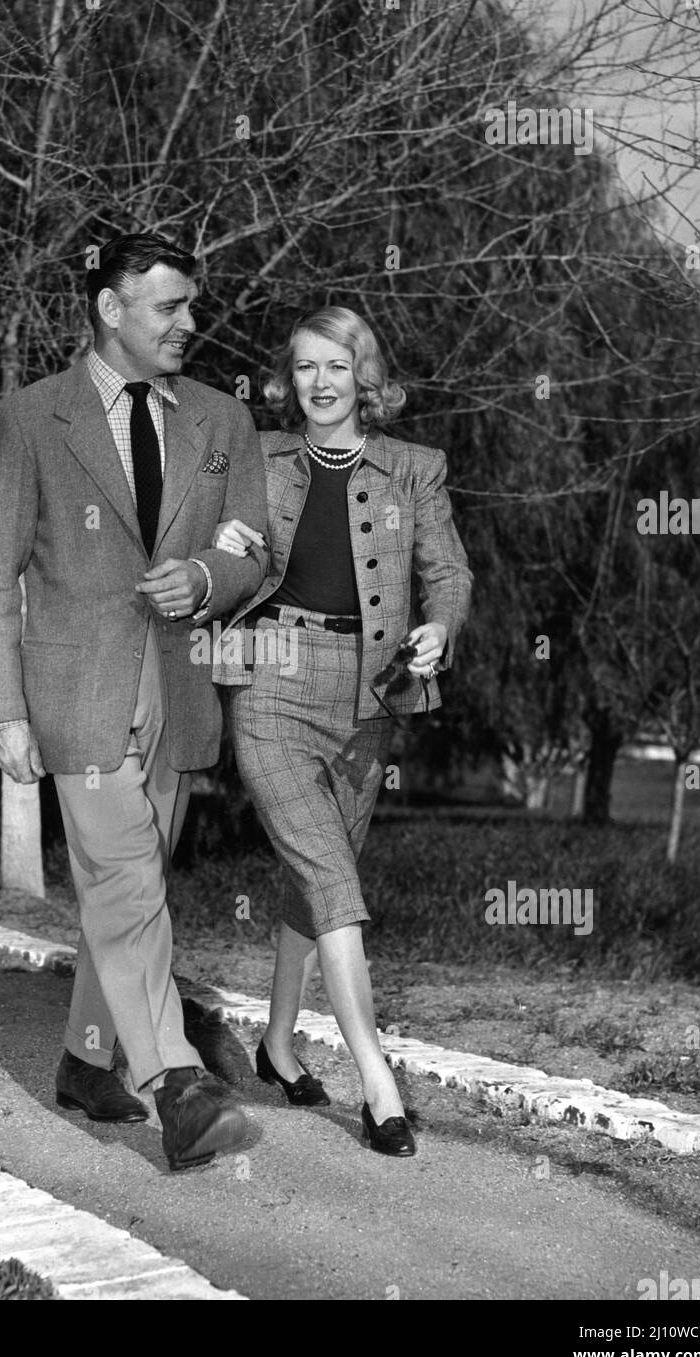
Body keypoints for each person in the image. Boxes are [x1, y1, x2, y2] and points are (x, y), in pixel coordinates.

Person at [0, 232, 270, 1171]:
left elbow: (253, 545)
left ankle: (89, 1062)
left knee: (129, 890)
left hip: (174, 692)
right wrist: (1, 710)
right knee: (127, 880)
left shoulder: (223, 420)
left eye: (191, 306)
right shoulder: (27, 420)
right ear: (109, 308)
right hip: (74, 691)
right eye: (168, 306)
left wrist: (210, 578)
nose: (189, 322)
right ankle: (175, 1082)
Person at [211, 306, 472, 1155]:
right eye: (303, 367)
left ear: (365, 375)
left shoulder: (414, 470)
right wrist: (219, 553)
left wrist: (441, 628)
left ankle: (278, 1045)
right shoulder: (258, 455)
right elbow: (223, 547)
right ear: (287, 379)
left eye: (336, 365)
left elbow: (449, 571)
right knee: (330, 876)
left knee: (314, 876)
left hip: (371, 697)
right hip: (272, 679)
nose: (318, 382)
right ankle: (377, 1081)